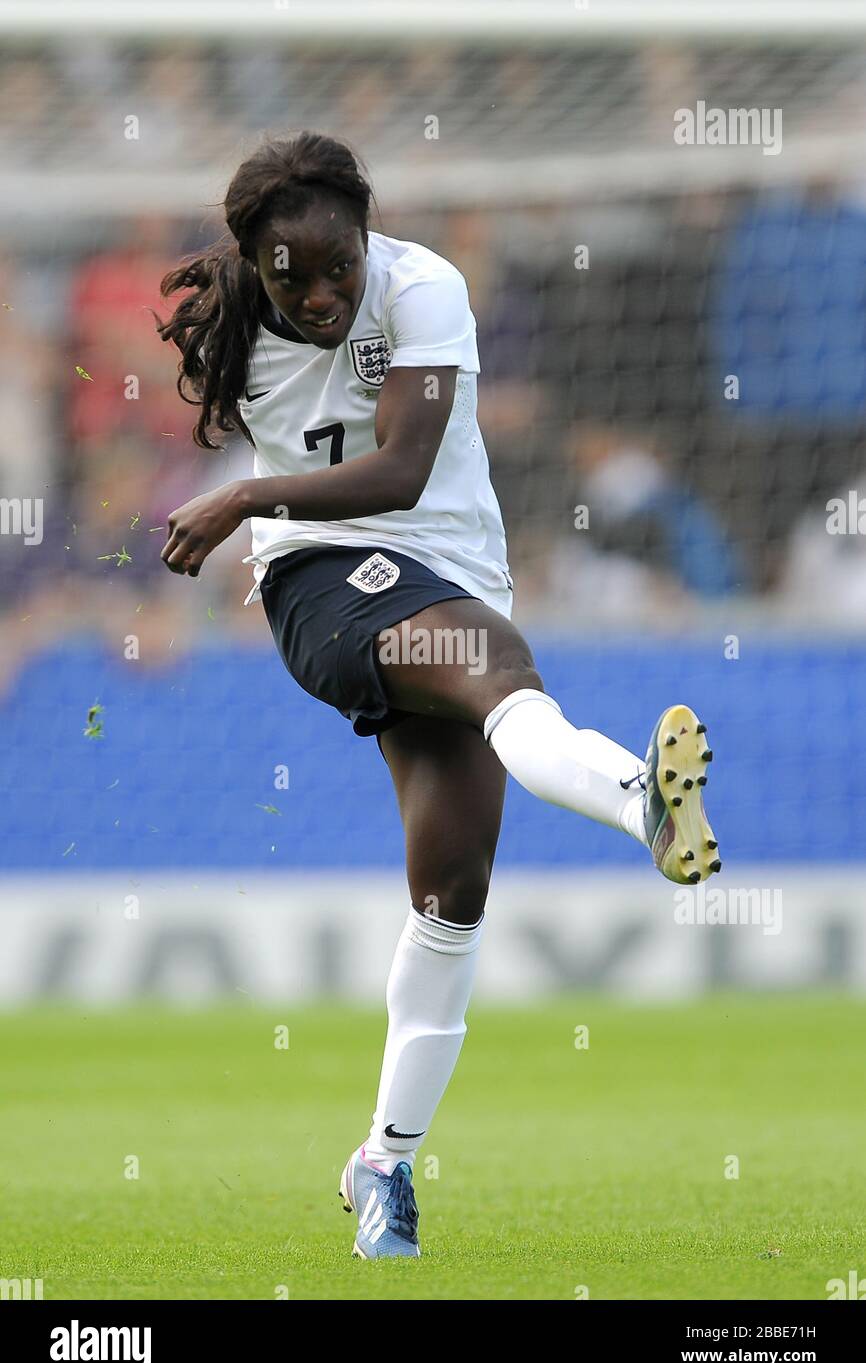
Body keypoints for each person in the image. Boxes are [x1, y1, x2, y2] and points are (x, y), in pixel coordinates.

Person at [156, 132, 720, 1262]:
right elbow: (322, 480)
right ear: (252, 261)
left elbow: (405, 469)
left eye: (337, 271)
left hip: (448, 569)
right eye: (289, 278)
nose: (318, 297)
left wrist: (244, 492)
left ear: (368, 239)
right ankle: (639, 804)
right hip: (319, 580)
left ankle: (382, 1162)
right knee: (502, 670)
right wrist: (257, 510)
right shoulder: (234, 312)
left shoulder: (422, 289)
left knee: (450, 888)